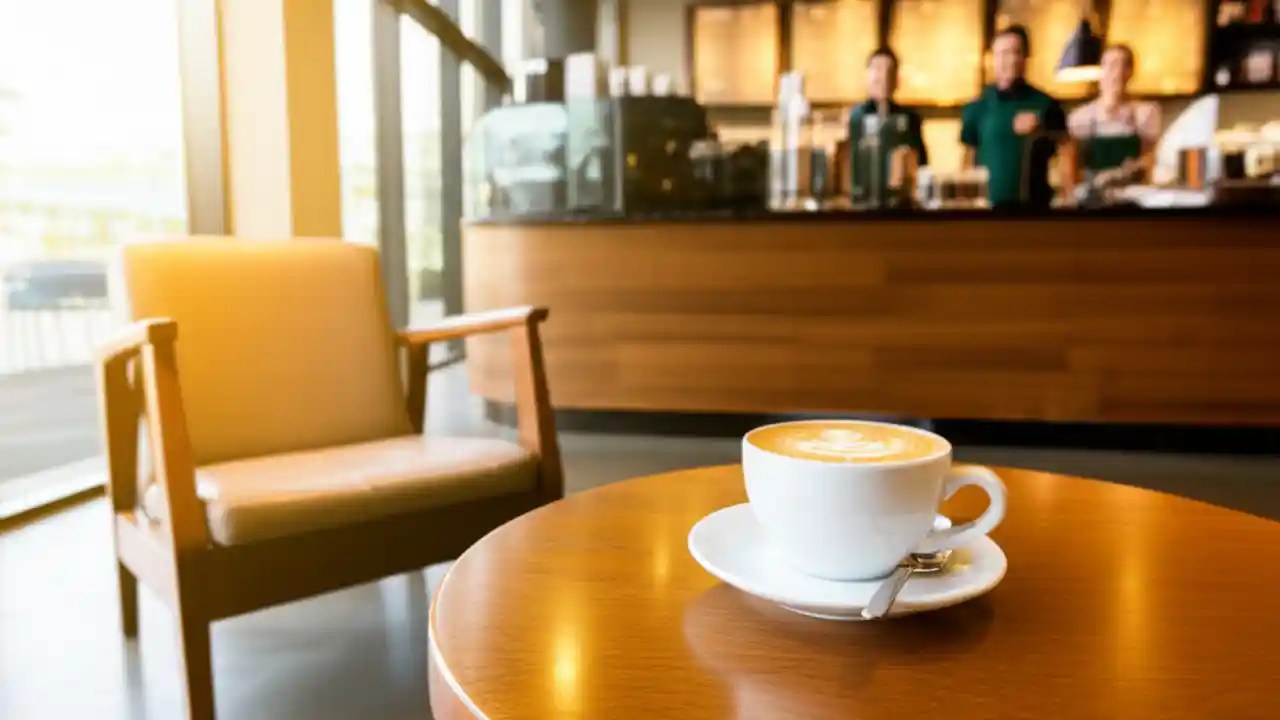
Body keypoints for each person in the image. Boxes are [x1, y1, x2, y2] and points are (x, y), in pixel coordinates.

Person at [960, 26, 1069, 209]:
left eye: (1016, 53)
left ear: (1026, 58)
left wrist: (1039, 131)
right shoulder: (977, 106)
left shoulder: (1046, 104)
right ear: (992, 59)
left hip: (1036, 209)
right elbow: (968, 158)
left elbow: (1067, 150)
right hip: (986, 210)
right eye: (1003, 53)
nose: (1010, 60)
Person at [1067, 44, 1162, 194]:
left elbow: (1150, 158)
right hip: (1093, 197)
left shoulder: (1144, 113)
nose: (1116, 73)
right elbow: (1070, 168)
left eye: (1122, 66)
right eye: (1110, 65)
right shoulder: (1080, 117)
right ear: (1100, 71)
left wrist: (1131, 169)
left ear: (1130, 73)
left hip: (1132, 197)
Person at [847, 47, 928, 207]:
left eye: (889, 71)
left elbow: (922, 164)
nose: (883, 77)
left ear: (897, 79)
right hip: (861, 202)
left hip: (900, 205)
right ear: (867, 75)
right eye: (877, 70)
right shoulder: (855, 119)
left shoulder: (909, 119)